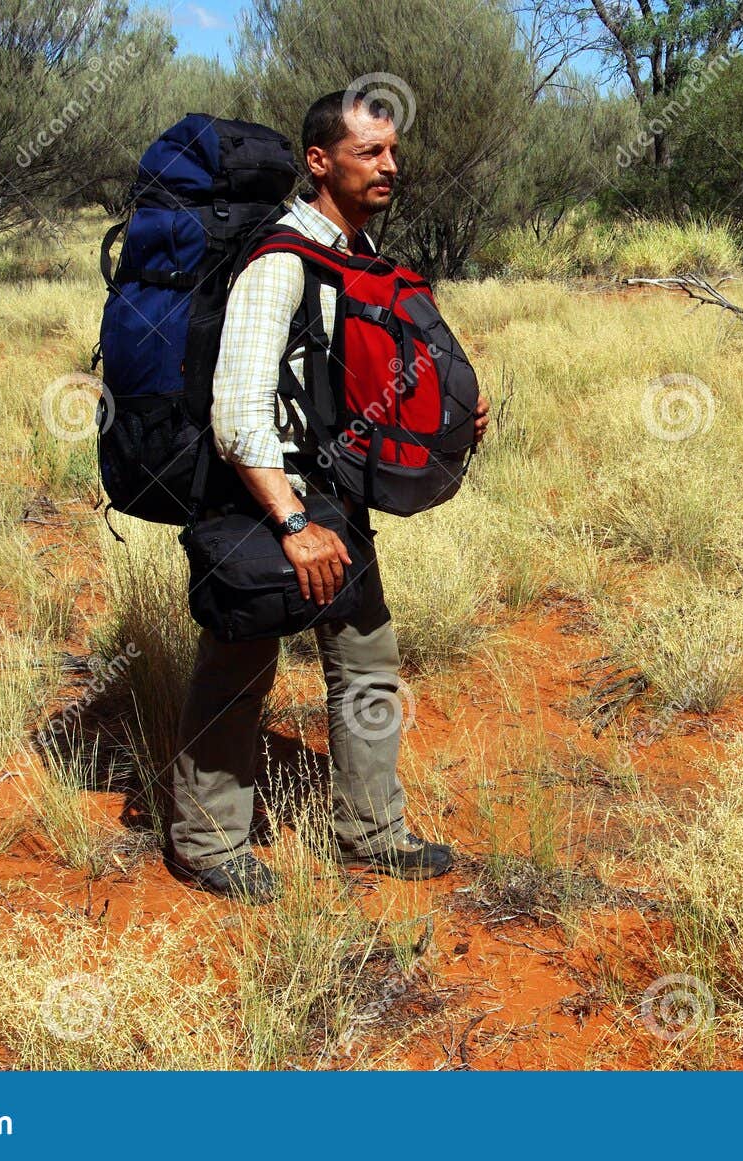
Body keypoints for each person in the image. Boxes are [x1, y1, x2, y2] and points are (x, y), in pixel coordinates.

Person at [165, 88, 490, 902]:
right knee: (240, 666)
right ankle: (207, 843)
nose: (390, 164)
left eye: (391, 150)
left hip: (333, 497)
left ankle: (371, 831)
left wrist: (449, 415)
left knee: (368, 660)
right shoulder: (280, 262)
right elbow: (239, 414)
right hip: (267, 499)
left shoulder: (355, 252)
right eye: (368, 152)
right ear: (320, 162)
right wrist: (293, 521)